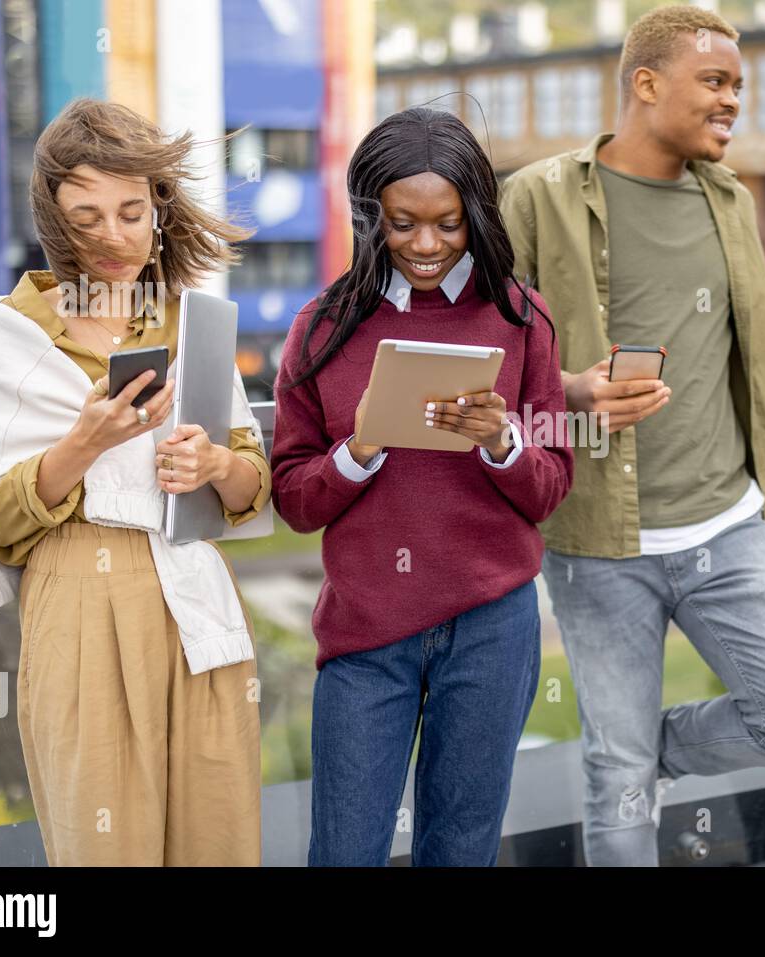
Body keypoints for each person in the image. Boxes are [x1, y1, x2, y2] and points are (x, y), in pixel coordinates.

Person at [499, 4, 765, 866]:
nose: (734, 100)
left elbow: (735, 361)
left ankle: (635, 748)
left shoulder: (729, 200)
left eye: (739, 85)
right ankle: (620, 758)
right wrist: (572, 395)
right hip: (596, 541)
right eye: (716, 82)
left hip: (728, 526)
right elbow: (494, 369)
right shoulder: (538, 197)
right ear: (646, 84)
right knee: (617, 789)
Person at [0, 99, 269, 866]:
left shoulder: (190, 320)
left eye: (132, 211)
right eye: (86, 215)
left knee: (218, 837)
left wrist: (215, 466)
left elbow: (250, 483)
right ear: (51, 218)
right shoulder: (13, 332)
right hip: (78, 598)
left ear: (157, 212)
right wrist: (83, 443)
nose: (112, 235)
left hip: (194, 599)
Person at [270, 107, 574, 867]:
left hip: (492, 626)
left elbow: (550, 489)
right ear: (371, 217)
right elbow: (295, 500)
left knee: (462, 847)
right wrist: (361, 445)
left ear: (476, 214)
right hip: (367, 632)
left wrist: (502, 443)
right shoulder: (322, 328)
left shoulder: (522, 318)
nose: (427, 245)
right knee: (343, 850)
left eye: (449, 224)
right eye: (403, 225)